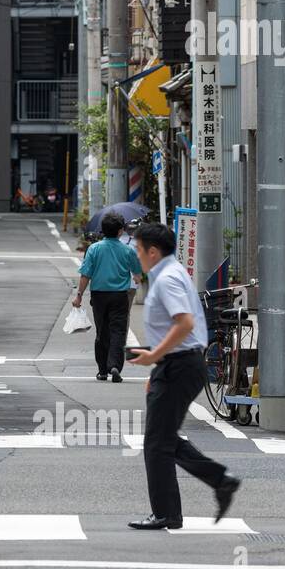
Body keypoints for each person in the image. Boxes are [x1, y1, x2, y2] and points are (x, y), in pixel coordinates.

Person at [126, 222, 241, 530]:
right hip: (175, 365)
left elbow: (185, 323)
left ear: (152, 251)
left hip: (180, 364)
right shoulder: (168, 274)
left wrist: (154, 356)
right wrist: (158, 366)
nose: (137, 256)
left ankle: (167, 513)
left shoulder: (168, 279)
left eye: (138, 250)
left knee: (156, 443)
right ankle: (220, 480)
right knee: (163, 438)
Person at [73, 212, 143, 382]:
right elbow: (137, 273)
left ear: (103, 230)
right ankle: (115, 366)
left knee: (102, 332)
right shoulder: (127, 250)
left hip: (98, 296)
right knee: (118, 331)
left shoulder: (94, 249)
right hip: (120, 296)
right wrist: (137, 278)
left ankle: (102, 370)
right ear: (120, 231)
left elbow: (85, 275)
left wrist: (79, 295)